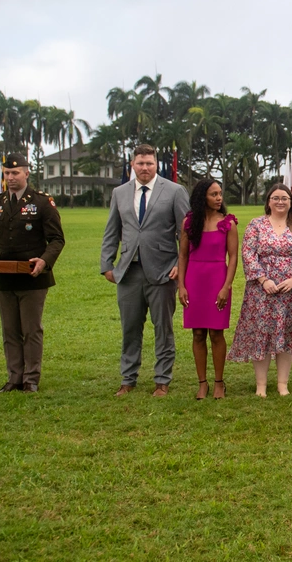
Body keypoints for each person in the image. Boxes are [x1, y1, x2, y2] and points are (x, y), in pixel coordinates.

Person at [101, 144, 190, 397]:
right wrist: (107, 264)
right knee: (130, 329)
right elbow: (112, 231)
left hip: (163, 272)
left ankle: (162, 380)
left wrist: (179, 266)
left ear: (156, 164)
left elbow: (186, 233)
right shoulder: (120, 193)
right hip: (128, 272)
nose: (144, 168)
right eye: (140, 163)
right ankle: (128, 379)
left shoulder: (174, 191)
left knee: (163, 328)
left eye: (149, 163)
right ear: (132, 165)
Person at [0, 153, 65, 393]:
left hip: (33, 276)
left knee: (31, 330)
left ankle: (30, 378)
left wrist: (44, 261)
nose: (11, 177)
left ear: (26, 173)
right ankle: (14, 377)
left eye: (15, 173)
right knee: (10, 330)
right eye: (7, 173)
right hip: (5, 276)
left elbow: (56, 239)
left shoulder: (42, 202)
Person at [229, 183, 292, 397]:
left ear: (290, 201)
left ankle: (282, 384)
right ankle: (261, 385)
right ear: (268, 201)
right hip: (261, 292)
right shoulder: (256, 225)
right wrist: (263, 279)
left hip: (291, 291)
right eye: (275, 198)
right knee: (262, 333)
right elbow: (248, 253)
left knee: (286, 333)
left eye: (284, 198)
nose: (280, 202)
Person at [177, 178, 238, 400]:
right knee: (198, 333)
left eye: (220, 194)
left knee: (216, 332)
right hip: (194, 279)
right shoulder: (189, 222)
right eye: (214, 194)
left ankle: (219, 382)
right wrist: (181, 285)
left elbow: (232, 259)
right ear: (202, 196)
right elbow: (182, 255)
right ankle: (202, 383)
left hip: (217, 280)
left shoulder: (228, 223)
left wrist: (226, 287)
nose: (219, 198)